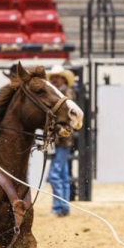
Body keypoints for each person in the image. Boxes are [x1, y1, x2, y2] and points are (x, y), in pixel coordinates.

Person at [46, 65, 76, 217]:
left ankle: (59, 206)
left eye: (57, 77)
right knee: (62, 175)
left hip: (62, 140)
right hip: (62, 141)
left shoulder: (64, 93)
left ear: (63, 79)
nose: (54, 80)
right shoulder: (63, 93)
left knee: (54, 175)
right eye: (53, 77)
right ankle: (64, 206)